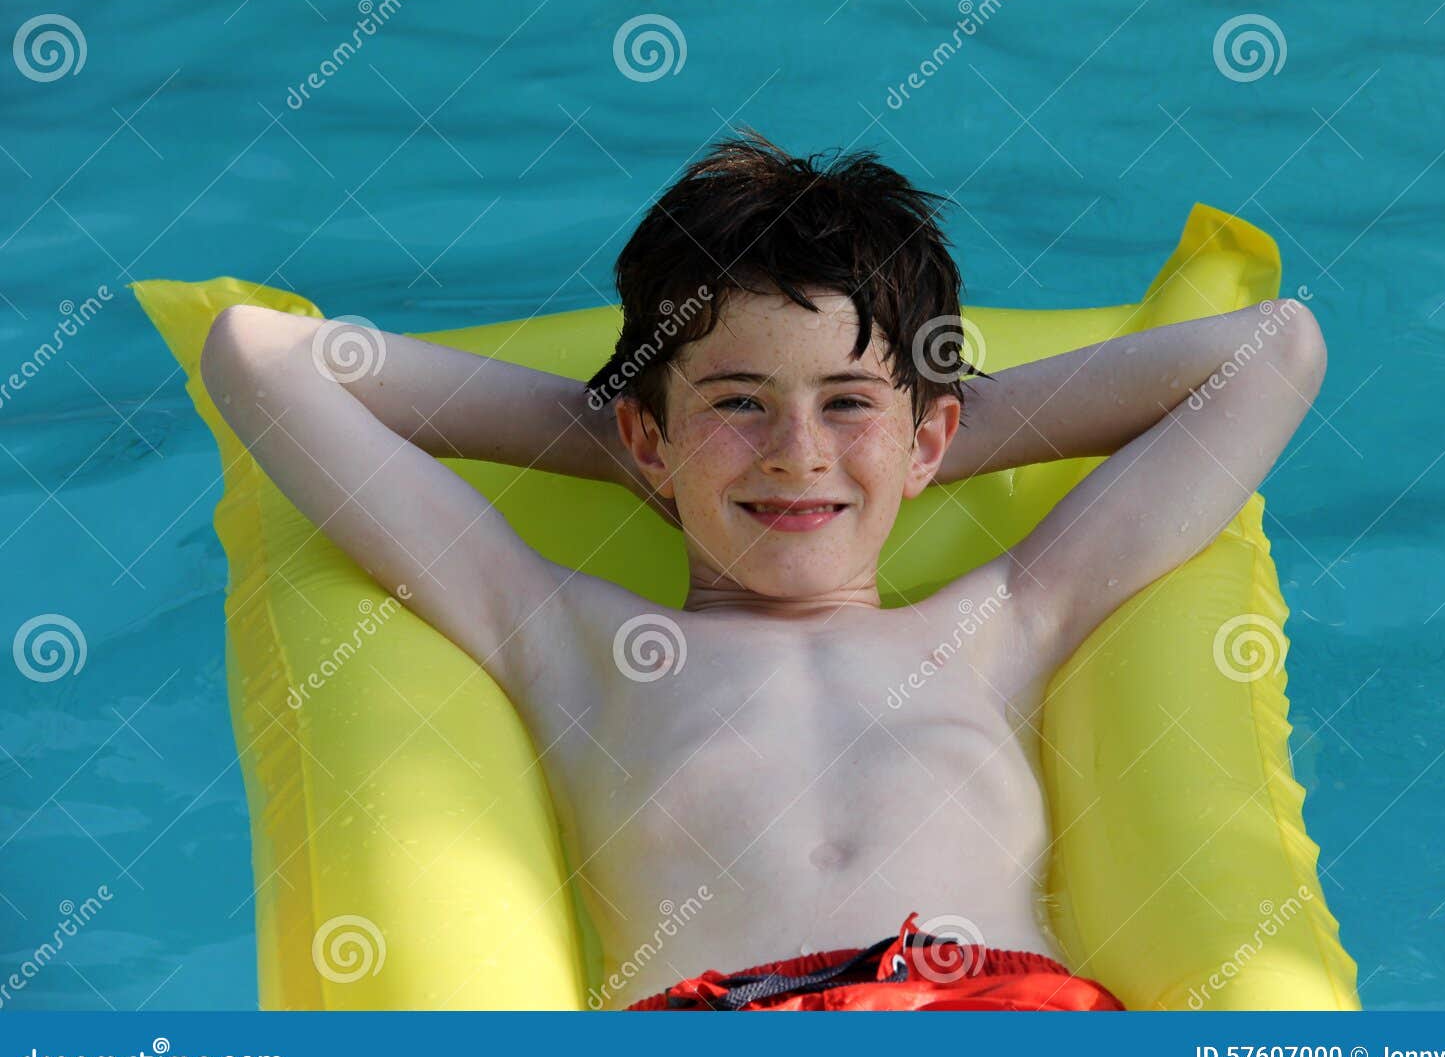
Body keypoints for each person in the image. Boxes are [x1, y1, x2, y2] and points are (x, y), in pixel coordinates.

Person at [199, 128, 1325, 1011]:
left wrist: (912, 443)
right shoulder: (564, 639)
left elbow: (1274, 350)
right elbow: (257, 356)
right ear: (647, 437)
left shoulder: (1007, 619)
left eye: (845, 403)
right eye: (739, 404)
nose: (795, 452)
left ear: (928, 437)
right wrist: (638, 444)